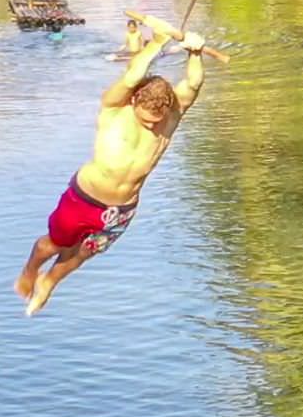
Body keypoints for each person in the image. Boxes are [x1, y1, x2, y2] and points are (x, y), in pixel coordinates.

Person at [15, 25, 207, 315]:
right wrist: (156, 42)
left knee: (84, 252)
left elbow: (192, 85)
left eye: (157, 121)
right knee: (53, 245)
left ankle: (50, 282)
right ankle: (30, 270)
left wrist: (195, 53)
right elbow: (132, 75)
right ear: (134, 101)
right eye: (146, 120)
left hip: (121, 209)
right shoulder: (114, 106)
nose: (153, 126)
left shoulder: (170, 116)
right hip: (84, 198)